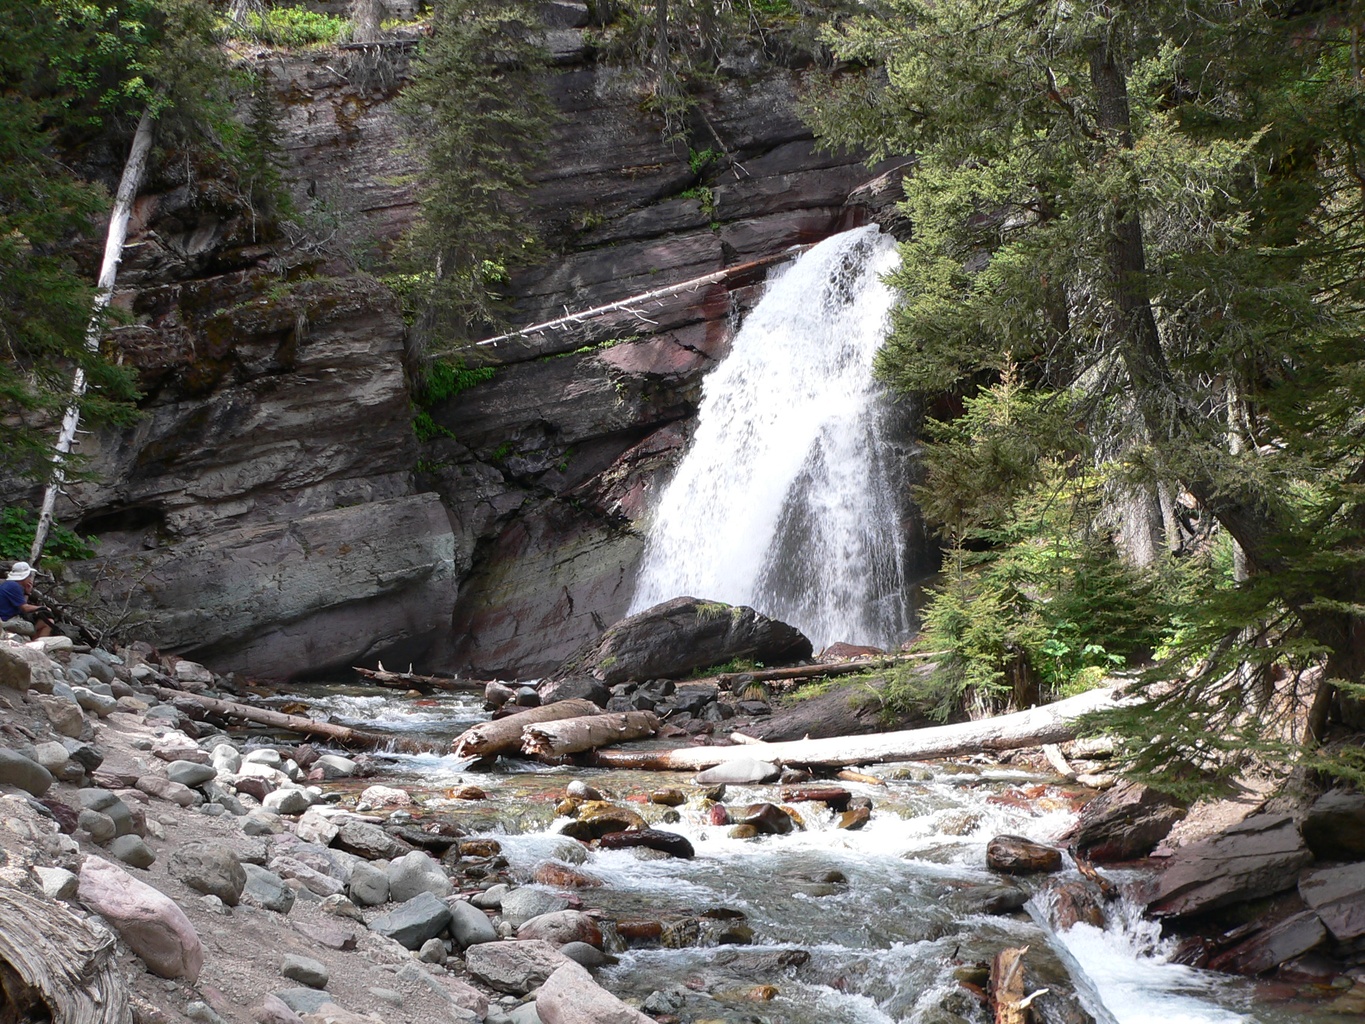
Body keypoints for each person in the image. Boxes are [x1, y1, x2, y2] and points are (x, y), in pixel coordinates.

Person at [0, 561, 55, 639]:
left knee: (45, 621)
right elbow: (25, 608)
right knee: (48, 622)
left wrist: (27, 592)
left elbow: (22, 604)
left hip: (9, 618)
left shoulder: (10, 584)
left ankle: (34, 642)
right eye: (29, 576)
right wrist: (43, 608)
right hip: (7, 621)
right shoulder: (14, 586)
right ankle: (37, 644)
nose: (30, 578)